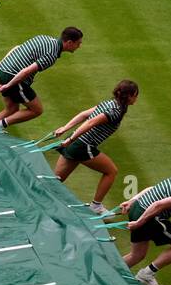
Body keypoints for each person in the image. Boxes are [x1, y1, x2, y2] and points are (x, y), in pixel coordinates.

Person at [53, 80, 139, 215]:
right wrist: (70, 138)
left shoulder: (109, 103)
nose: (136, 98)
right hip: (83, 145)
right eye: (135, 95)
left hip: (75, 143)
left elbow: (83, 114)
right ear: (129, 96)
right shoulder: (115, 111)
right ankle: (96, 206)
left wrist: (65, 129)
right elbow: (90, 122)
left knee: (54, 182)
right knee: (111, 171)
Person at [0, 27, 84, 128]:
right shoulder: (51, 55)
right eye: (78, 43)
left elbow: (17, 47)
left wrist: (1, 63)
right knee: (36, 110)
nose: (79, 46)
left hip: (4, 69)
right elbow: (26, 72)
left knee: (11, 109)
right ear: (70, 42)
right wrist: (8, 85)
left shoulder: (44, 37)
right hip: (12, 76)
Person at [120, 175, 171, 285]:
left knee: (137, 255)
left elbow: (152, 189)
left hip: (138, 207)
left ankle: (106, 275)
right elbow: (158, 205)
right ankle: (147, 274)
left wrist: (133, 200)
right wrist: (139, 223)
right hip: (150, 215)